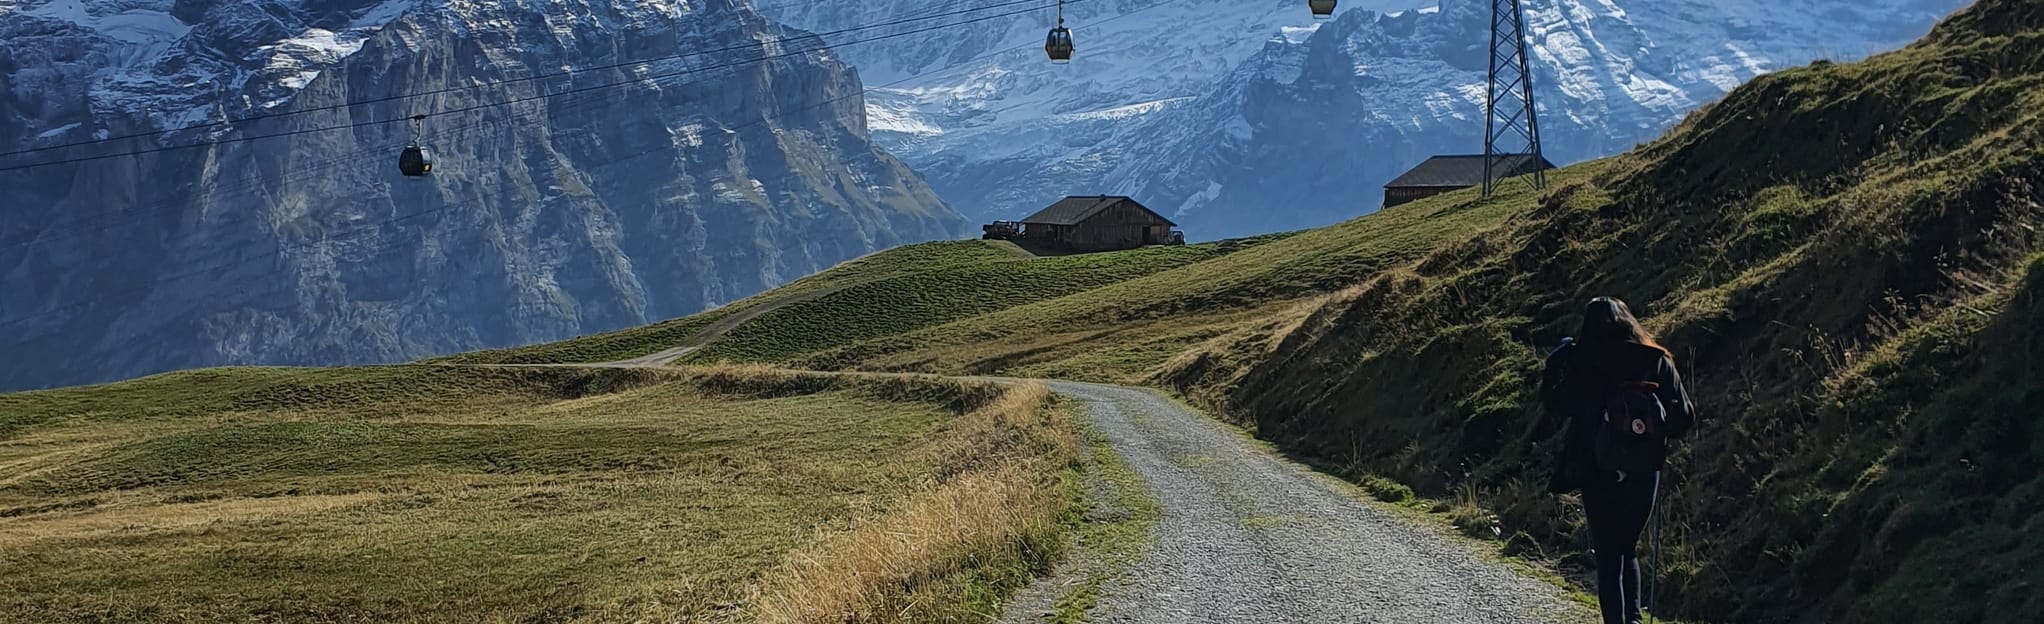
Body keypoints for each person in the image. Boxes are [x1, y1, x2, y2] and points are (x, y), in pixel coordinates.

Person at [1541, 297, 1695, 624]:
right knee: (1628, 547)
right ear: (1630, 321)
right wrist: (1650, 427)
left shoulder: (1583, 360)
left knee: (1609, 555)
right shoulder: (1656, 359)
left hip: (1596, 467)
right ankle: (1635, 620)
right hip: (1644, 468)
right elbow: (1684, 418)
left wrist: (1557, 360)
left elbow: (1557, 403)